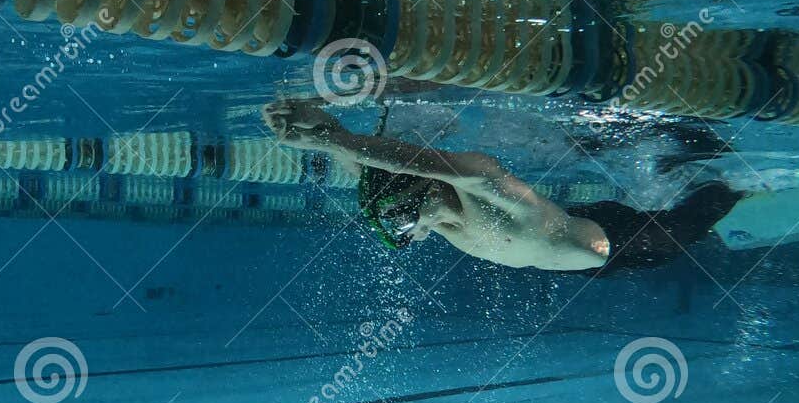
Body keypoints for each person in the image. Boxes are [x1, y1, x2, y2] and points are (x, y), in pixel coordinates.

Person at [261, 98, 740, 273]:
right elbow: (442, 174)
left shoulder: (461, 195)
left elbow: (439, 170)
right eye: (403, 219)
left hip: (596, 233)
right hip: (619, 250)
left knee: (682, 201)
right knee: (707, 202)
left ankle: (704, 173)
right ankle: (731, 183)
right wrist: (333, 139)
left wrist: (324, 134)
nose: (410, 214)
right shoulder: (453, 209)